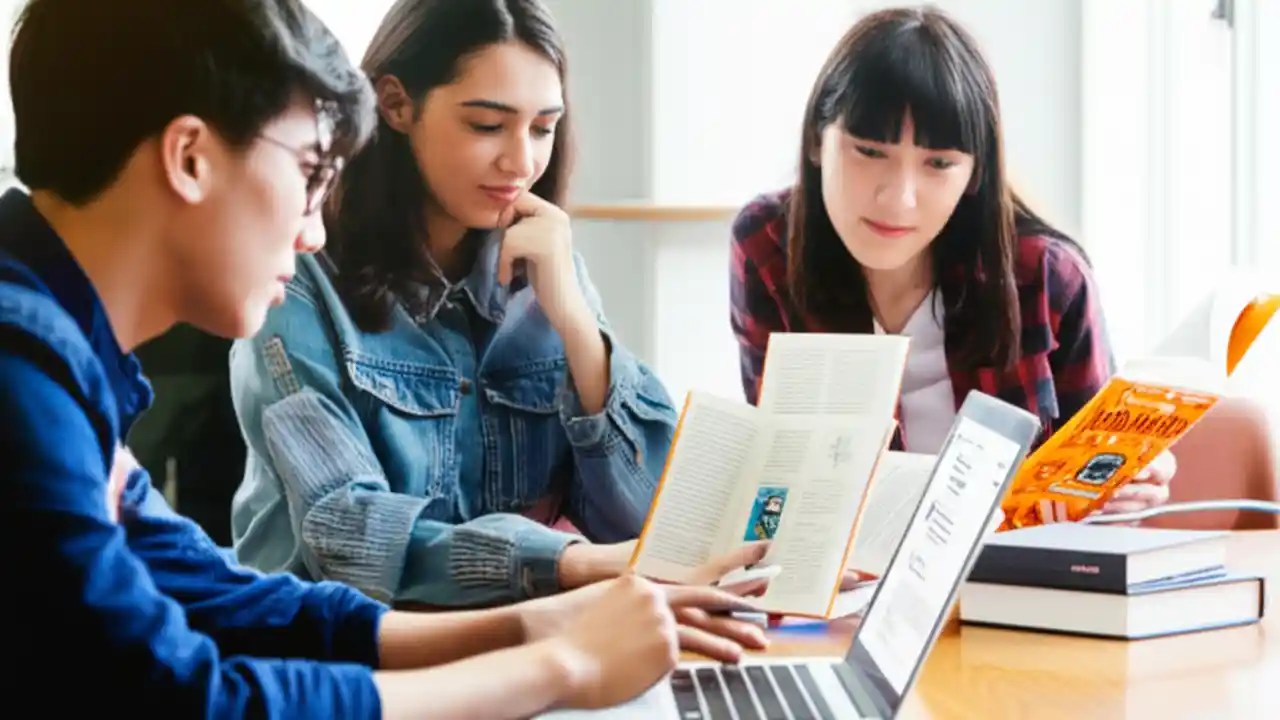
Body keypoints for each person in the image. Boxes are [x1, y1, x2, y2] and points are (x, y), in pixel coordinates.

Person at [0, 1, 769, 717]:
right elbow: (182, 695)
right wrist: (561, 664)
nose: (312, 231)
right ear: (192, 158)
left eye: (543, 127)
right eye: (308, 172)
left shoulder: (61, 364)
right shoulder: (19, 375)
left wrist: (546, 622)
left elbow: (224, 598)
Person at [228, 0, 681, 608]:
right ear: (395, 104)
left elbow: (651, 523)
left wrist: (576, 325)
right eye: (487, 126)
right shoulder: (298, 284)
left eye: (543, 128)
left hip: (527, 650)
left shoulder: (549, 273)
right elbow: (347, 536)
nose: (521, 161)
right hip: (344, 668)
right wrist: (567, 563)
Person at [728, 6, 1175, 518]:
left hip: (1016, 587)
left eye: (938, 164)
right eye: (870, 152)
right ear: (816, 140)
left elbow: (1091, 499)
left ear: (975, 172)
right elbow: (785, 474)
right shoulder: (768, 246)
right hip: (848, 589)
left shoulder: (1046, 276)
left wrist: (1123, 488)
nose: (899, 198)